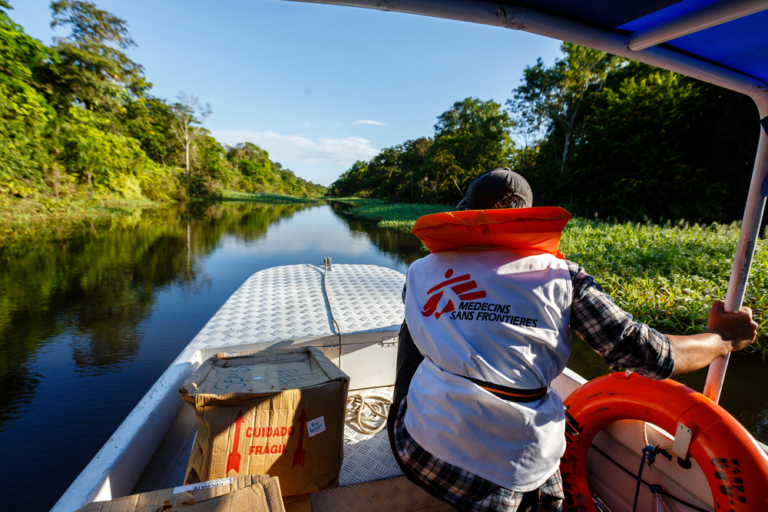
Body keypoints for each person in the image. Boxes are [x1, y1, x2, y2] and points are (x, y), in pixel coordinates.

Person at [386, 168, 758, 512]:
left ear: (466, 213)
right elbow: (649, 355)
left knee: (415, 322)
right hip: (517, 473)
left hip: (421, 451)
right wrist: (722, 338)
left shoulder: (421, 271)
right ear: (526, 217)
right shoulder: (563, 276)